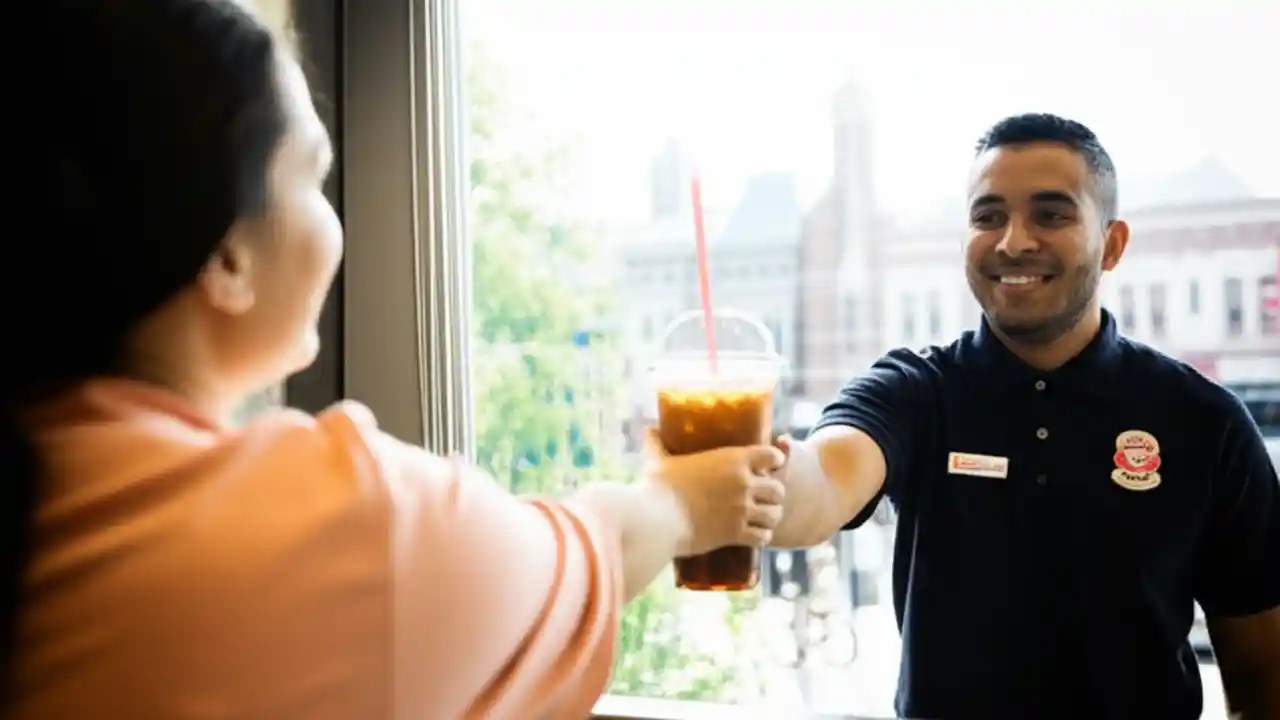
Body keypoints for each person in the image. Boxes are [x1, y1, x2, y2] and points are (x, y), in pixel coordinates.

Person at [2, 2, 787, 718]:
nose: (334, 217)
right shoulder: (343, 528)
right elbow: (598, 548)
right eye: (315, 176)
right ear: (230, 259)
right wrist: (684, 504)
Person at [770, 113, 1280, 719]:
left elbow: (1264, 679)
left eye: (1051, 214)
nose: (1014, 241)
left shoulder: (1204, 421)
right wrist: (766, 477)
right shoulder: (916, 391)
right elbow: (822, 481)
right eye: (988, 216)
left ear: (1112, 245)